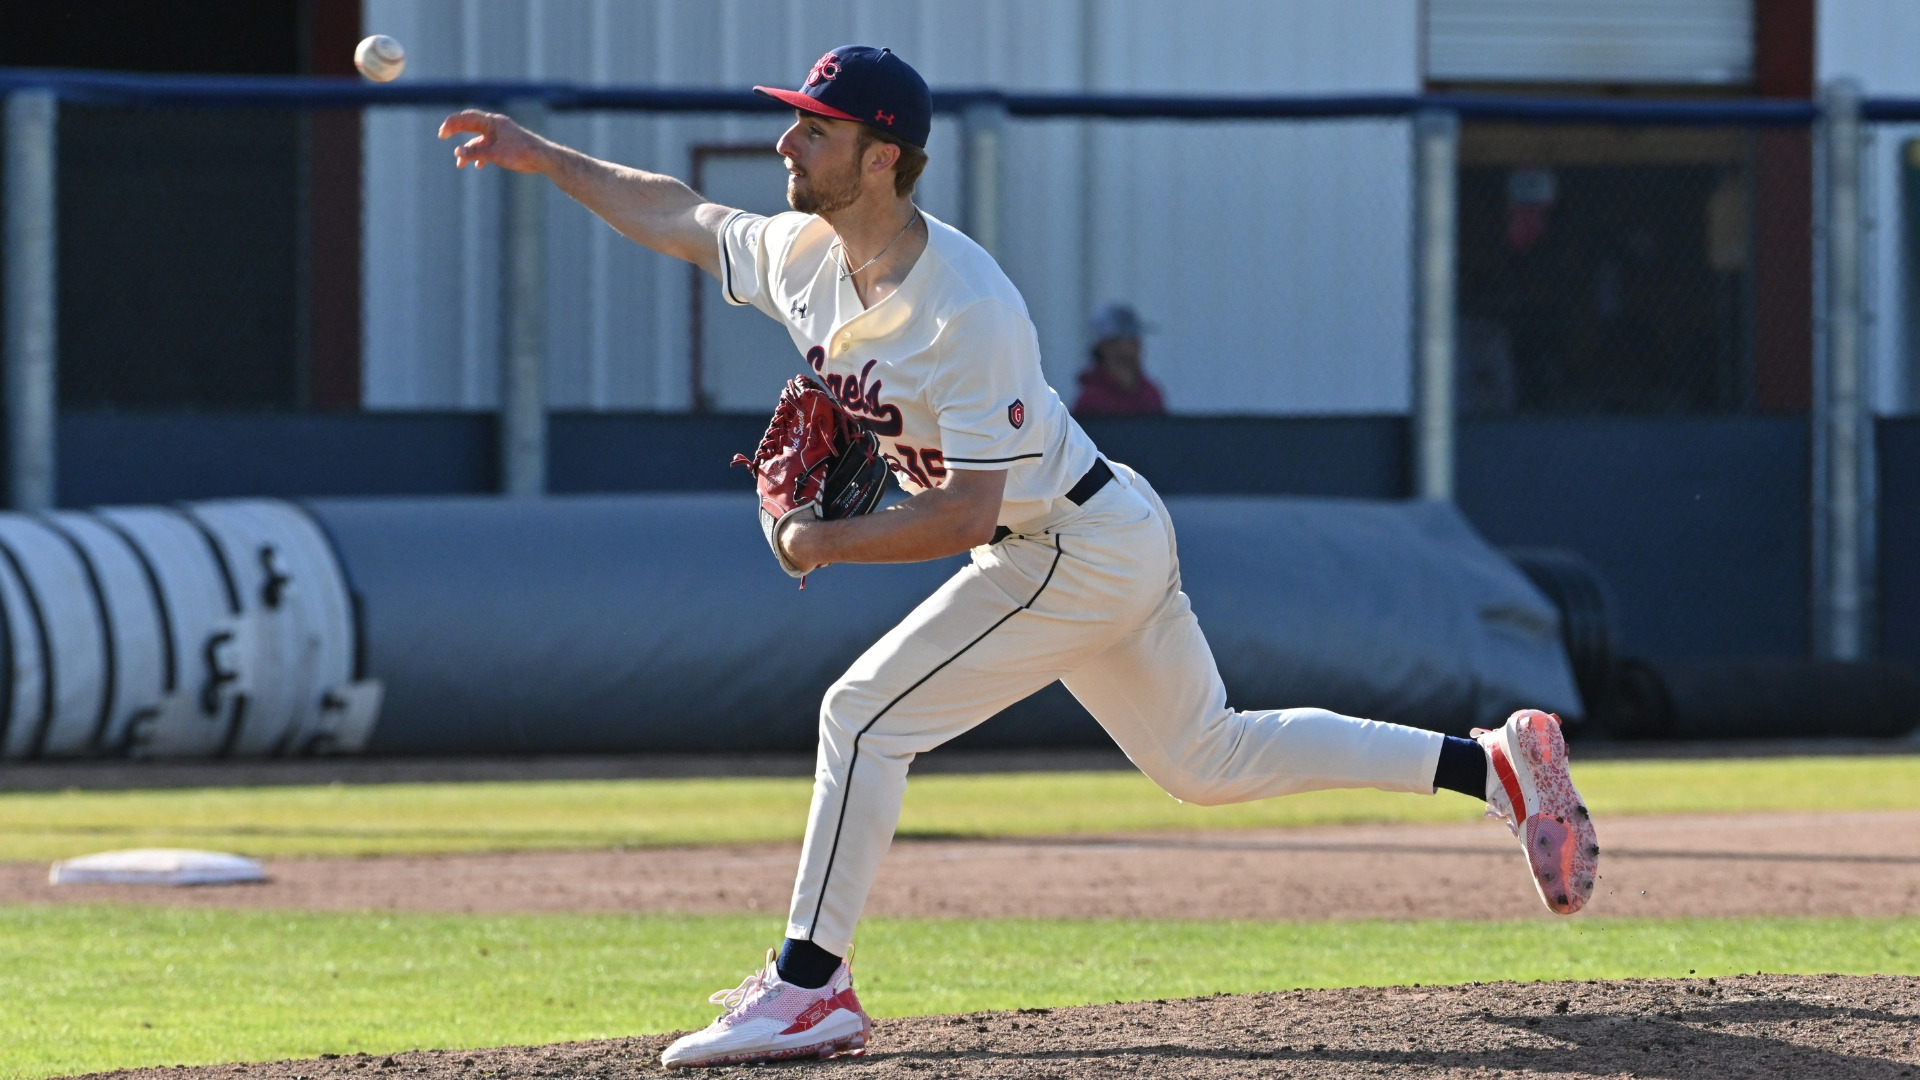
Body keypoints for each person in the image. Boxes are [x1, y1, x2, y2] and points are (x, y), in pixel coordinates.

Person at [437, 44, 1599, 1071]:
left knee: (864, 713)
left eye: (815, 125)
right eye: (795, 118)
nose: (788, 138)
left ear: (882, 155)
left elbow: (964, 518)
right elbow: (680, 213)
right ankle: (1489, 766)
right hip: (1100, 525)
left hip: (1068, 542)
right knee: (1206, 757)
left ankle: (807, 986)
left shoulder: (967, 308)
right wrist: (542, 155)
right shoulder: (806, 254)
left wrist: (818, 542)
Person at [1072, 303, 1166, 416]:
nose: (1136, 342)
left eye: (1136, 335)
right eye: (1127, 335)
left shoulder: (1151, 393)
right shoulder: (1091, 400)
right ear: (1106, 345)